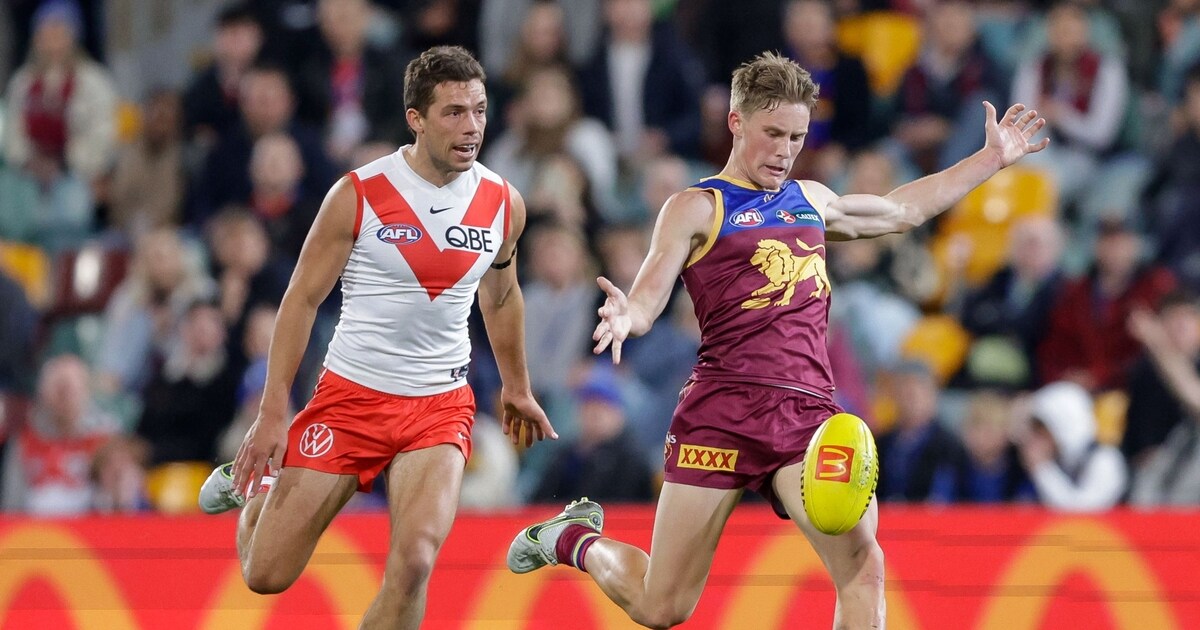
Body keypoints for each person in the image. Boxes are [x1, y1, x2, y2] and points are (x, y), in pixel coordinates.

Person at [507, 51, 1047, 629]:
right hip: (721, 412)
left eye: (797, 136)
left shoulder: (810, 200)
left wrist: (990, 158)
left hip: (806, 416)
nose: (786, 150)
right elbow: (649, 292)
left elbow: (900, 211)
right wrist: (626, 316)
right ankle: (574, 539)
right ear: (736, 122)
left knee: (864, 567)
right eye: (773, 134)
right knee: (661, 606)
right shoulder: (697, 207)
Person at [197, 46, 556, 629]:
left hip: (439, 408)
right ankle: (258, 492)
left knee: (414, 562)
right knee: (266, 574)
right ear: (415, 118)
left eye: (480, 111)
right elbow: (301, 300)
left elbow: (501, 294)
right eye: (454, 113)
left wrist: (516, 386)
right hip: (351, 399)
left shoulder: (501, 202)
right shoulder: (358, 194)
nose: (472, 128)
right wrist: (271, 415)